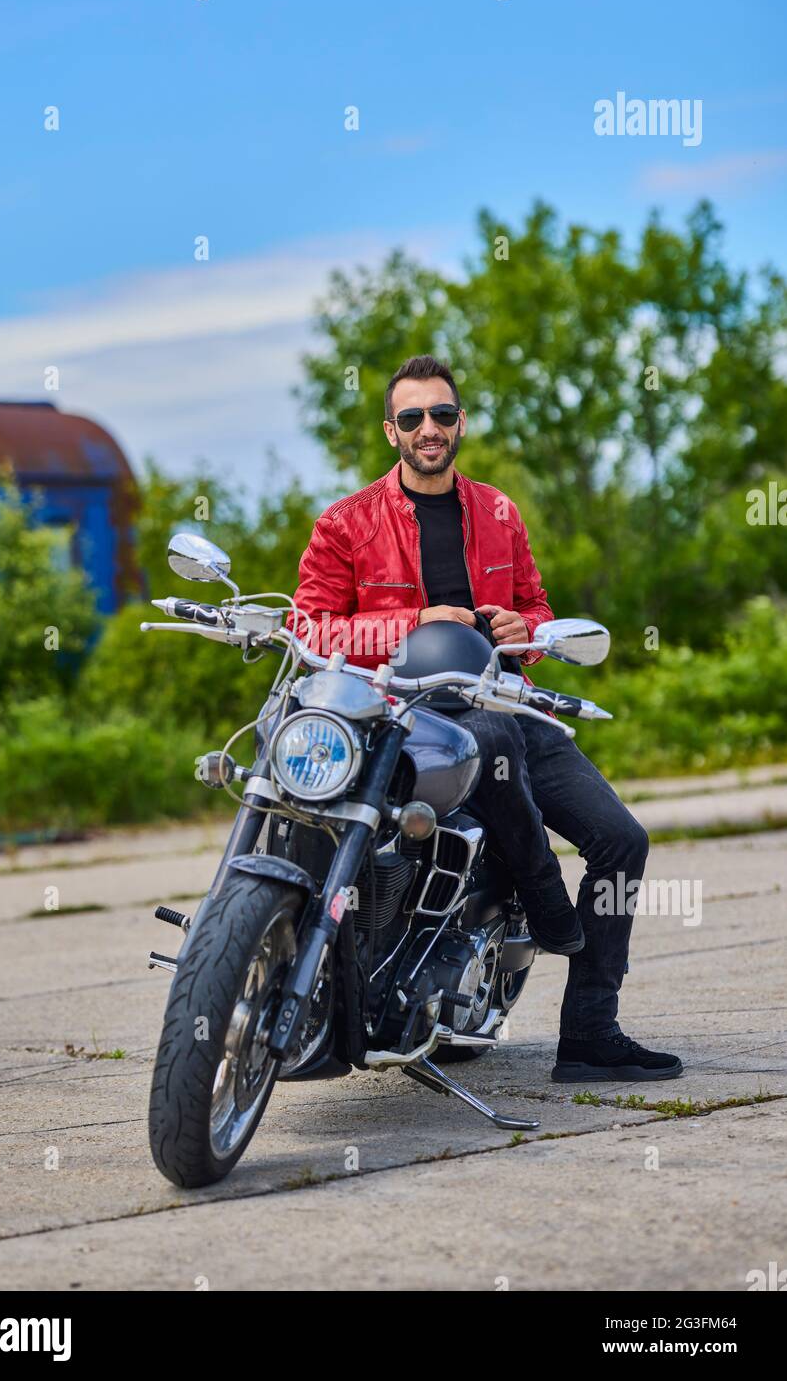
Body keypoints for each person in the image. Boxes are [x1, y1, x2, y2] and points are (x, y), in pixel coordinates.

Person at [289, 354, 681, 1083]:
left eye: (441, 414)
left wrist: (519, 626)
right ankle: (540, 888)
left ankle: (591, 1033)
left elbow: (537, 606)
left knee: (621, 840)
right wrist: (414, 624)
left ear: (459, 422)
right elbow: (311, 629)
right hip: (408, 716)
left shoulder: (498, 510)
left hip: (505, 697)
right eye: (412, 418)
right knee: (488, 738)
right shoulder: (345, 523)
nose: (429, 429)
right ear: (390, 431)